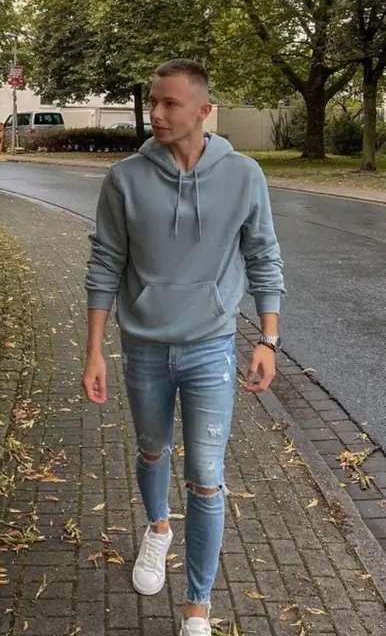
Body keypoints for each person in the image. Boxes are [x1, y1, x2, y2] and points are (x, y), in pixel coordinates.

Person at [83, 58, 285, 636]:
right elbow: (104, 264)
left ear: (203, 111)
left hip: (210, 348)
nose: (156, 113)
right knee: (152, 451)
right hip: (144, 347)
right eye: (153, 101)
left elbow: (263, 255)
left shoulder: (244, 175)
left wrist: (268, 338)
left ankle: (197, 607)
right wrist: (94, 350)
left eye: (170, 103)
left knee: (206, 474)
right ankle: (157, 528)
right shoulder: (125, 178)